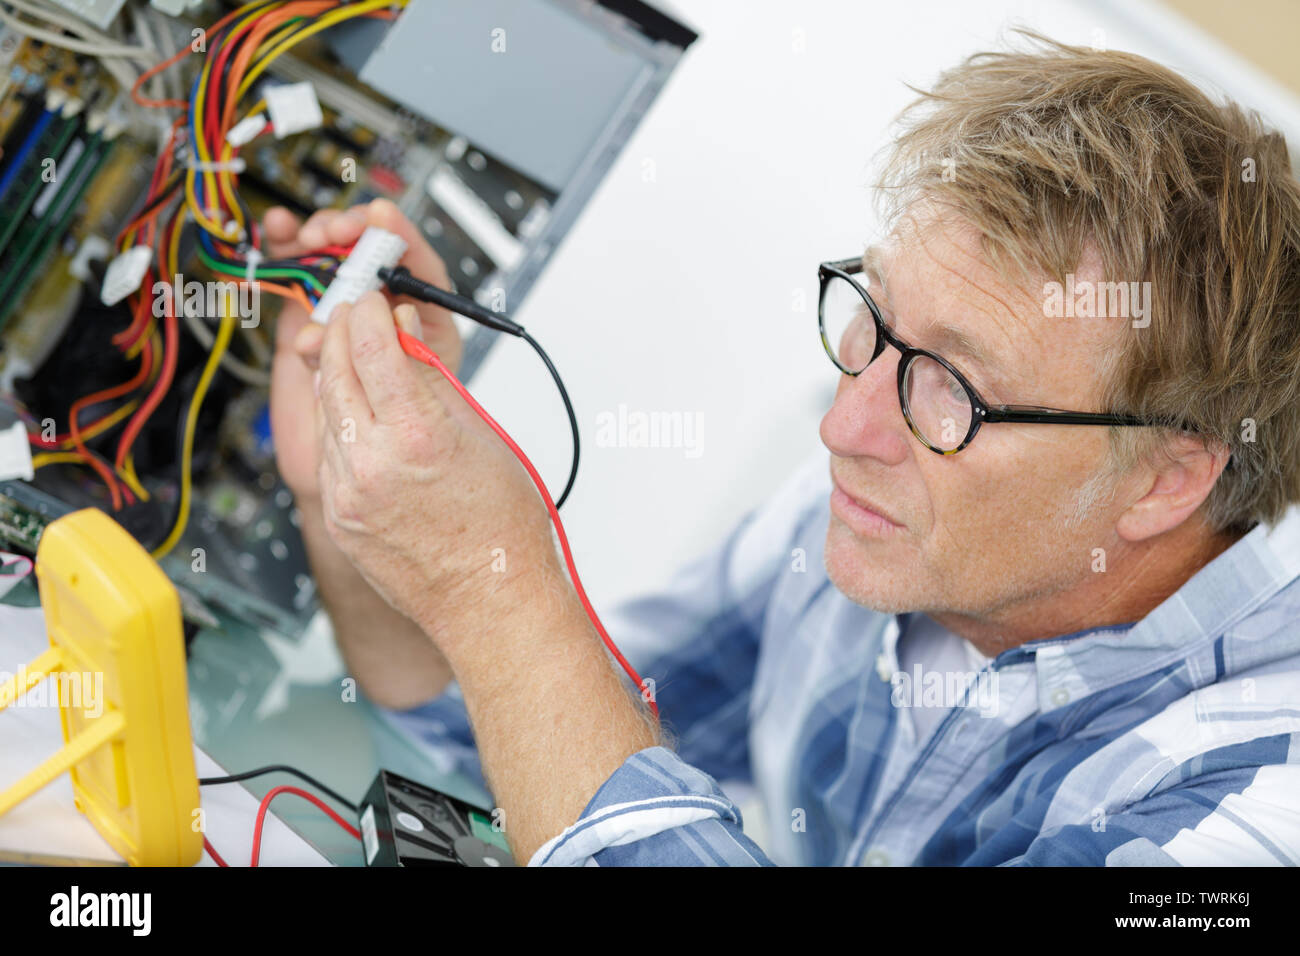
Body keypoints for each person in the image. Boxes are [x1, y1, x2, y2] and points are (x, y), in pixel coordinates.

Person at [266, 33, 1300, 866]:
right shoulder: (861, 524)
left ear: (1167, 478)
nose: (844, 429)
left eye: (954, 384)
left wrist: (497, 598)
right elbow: (508, 751)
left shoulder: (1256, 799)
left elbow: (539, 697)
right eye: (874, 317)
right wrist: (346, 480)